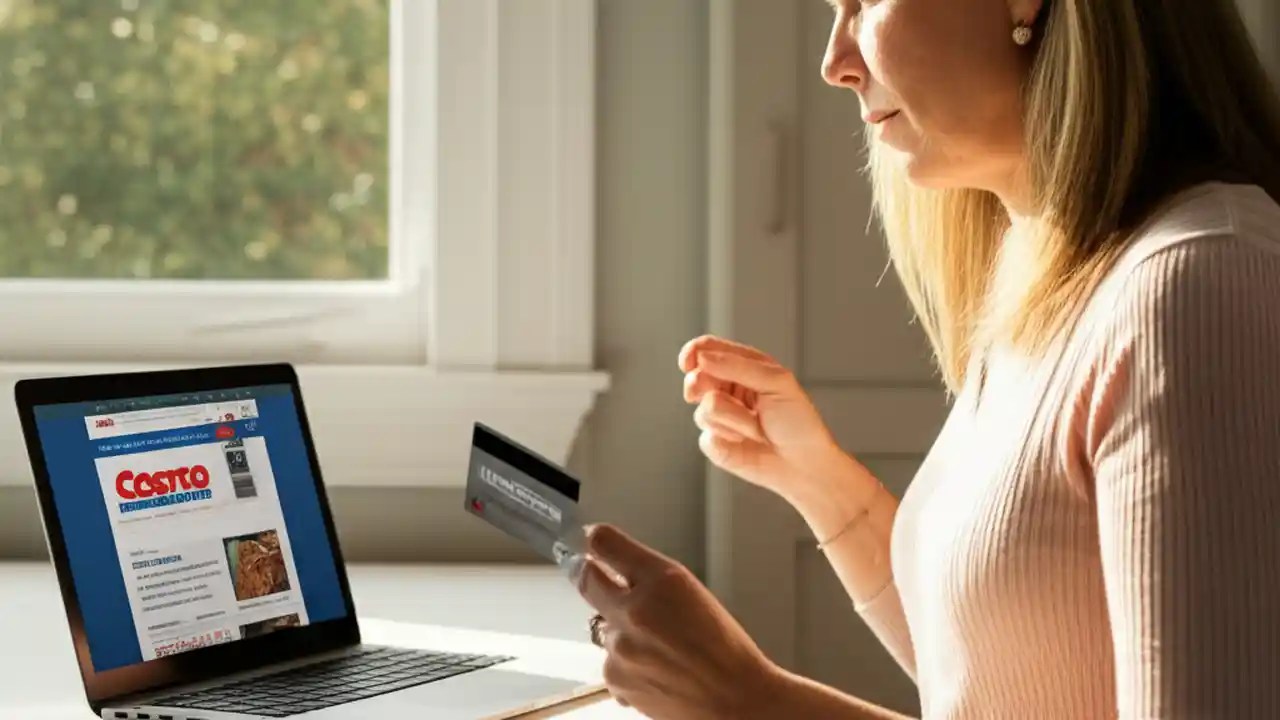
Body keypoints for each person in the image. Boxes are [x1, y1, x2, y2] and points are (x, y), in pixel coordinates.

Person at [572, 0, 1280, 717]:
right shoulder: (1057, 272)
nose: (834, 64)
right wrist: (824, 485)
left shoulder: (1198, 284)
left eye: (866, 3)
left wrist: (746, 698)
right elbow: (997, 678)